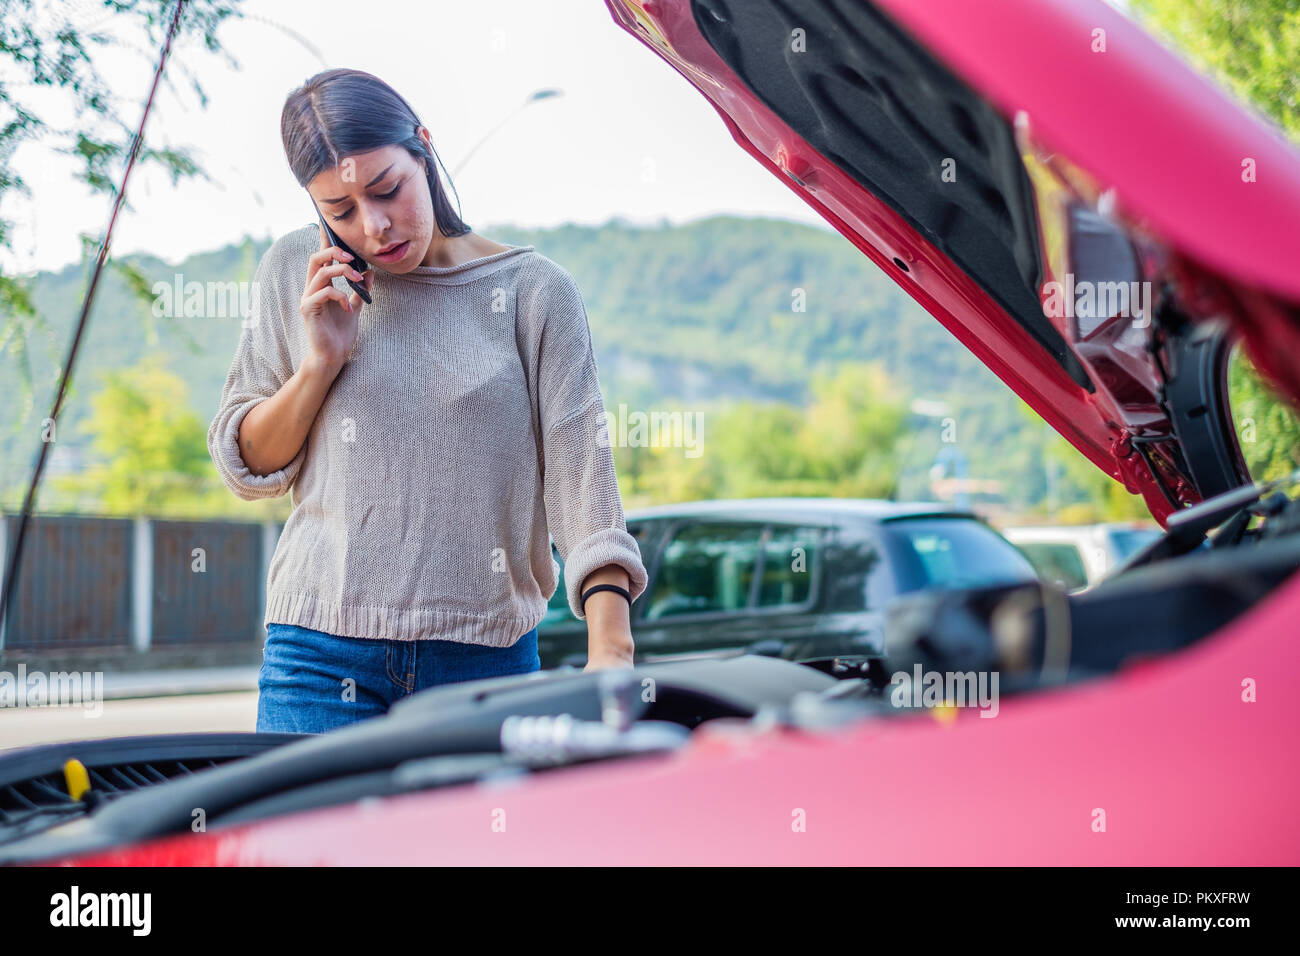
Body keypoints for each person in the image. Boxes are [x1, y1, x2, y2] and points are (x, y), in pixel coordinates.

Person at [206, 68, 647, 734]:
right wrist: (320, 364)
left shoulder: (534, 292)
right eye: (341, 211)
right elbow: (249, 465)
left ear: (424, 148)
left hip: (484, 663)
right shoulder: (294, 273)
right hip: (320, 658)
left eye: (388, 190)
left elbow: (585, 488)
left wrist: (610, 651)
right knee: (307, 844)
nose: (375, 227)